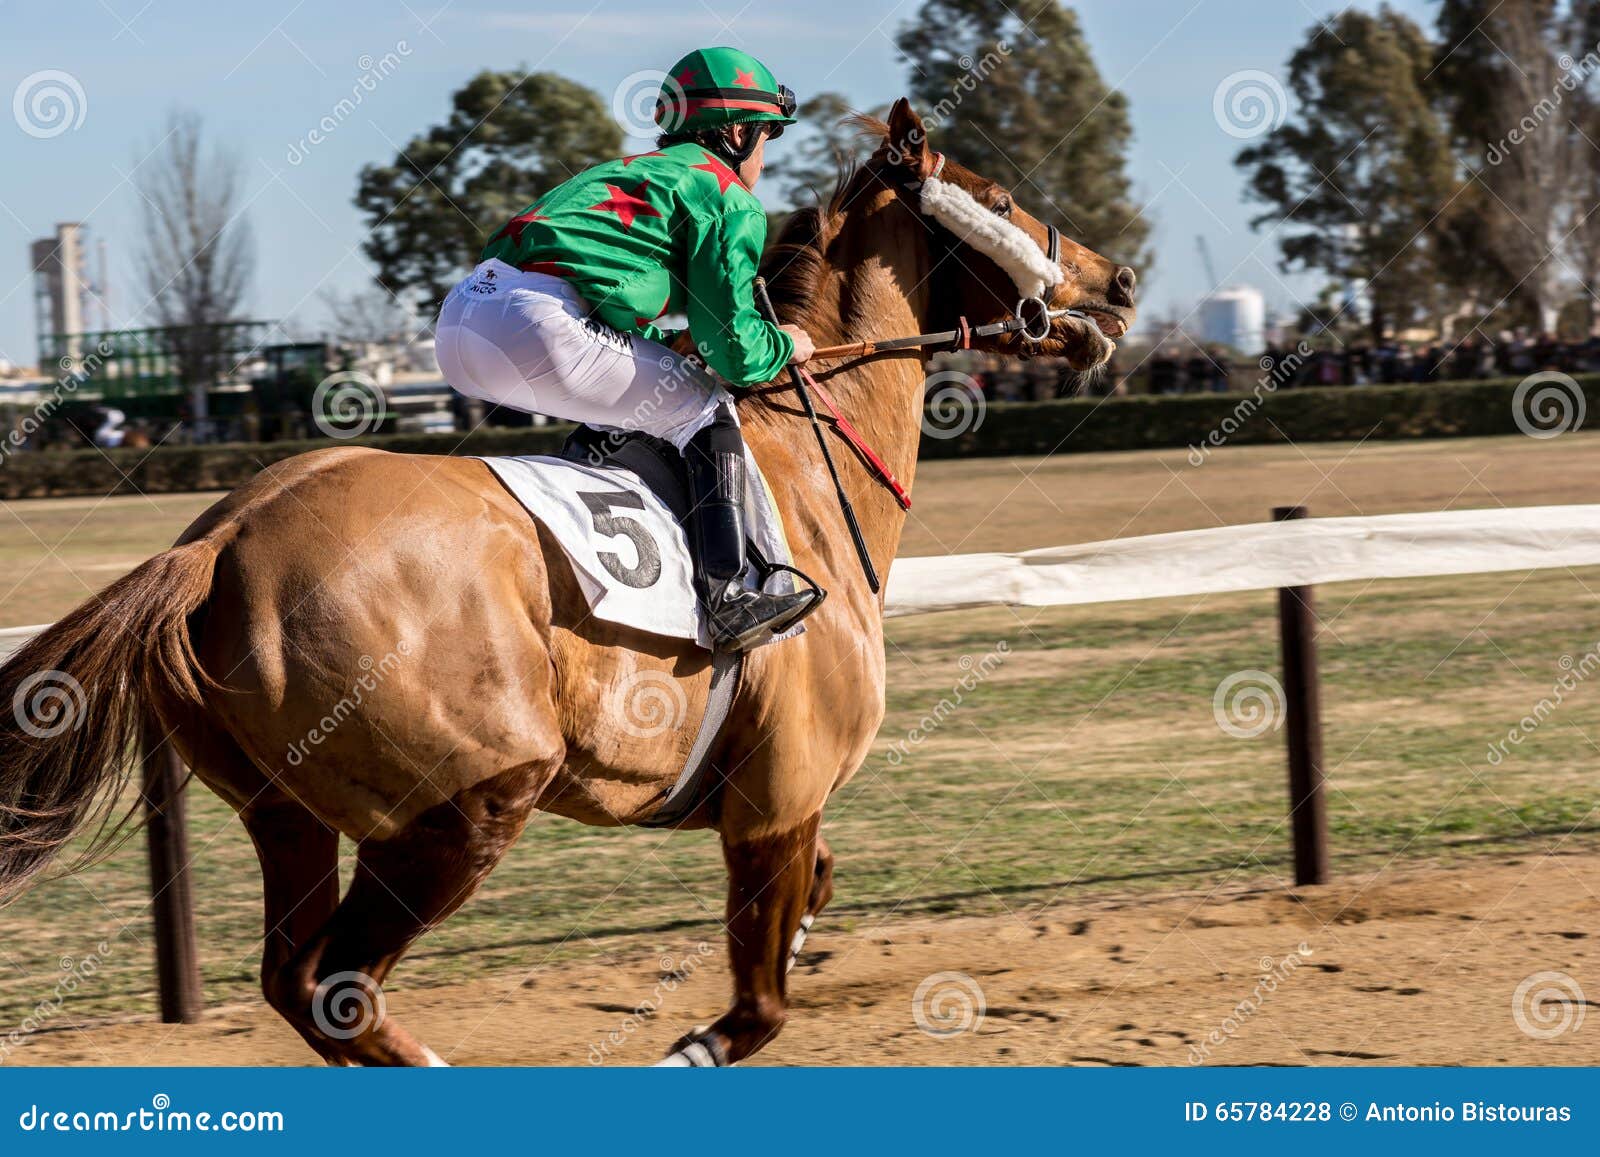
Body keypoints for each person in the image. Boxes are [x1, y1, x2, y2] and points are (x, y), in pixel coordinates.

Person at [435, 47, 821, 651]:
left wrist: (670, 344)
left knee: (628, 401)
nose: (766, 157)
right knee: (700, 405)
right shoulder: (725, 193)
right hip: (534, 323)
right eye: (768, 136)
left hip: (463, 318)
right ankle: (730, 596)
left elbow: (612, 307)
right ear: (739, 131)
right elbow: (736, 352)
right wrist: (786, 344)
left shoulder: (631, 171)